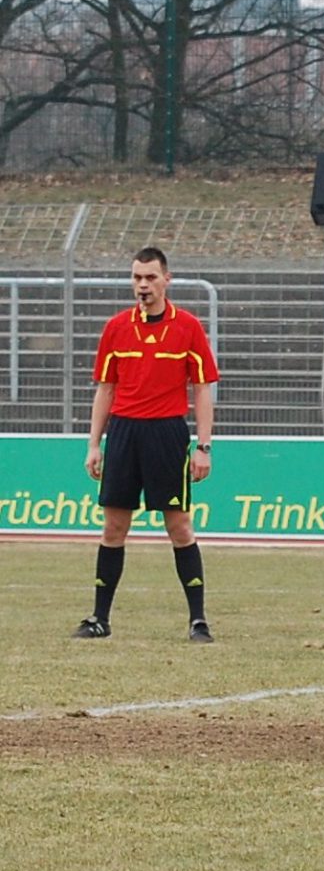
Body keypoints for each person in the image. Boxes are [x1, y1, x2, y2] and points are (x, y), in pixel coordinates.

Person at [74, 246, 220, 643]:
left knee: (179, 526)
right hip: (123, 433)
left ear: (166, 279)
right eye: (137, 277)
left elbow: (203, 387)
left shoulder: (188, 327)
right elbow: (106, 388)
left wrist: (203, 446)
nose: (143, 285)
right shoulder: (117, 328)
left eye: (150, 277)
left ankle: (198, 621)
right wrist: (94, 444)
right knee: (114, 525)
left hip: (166, 434)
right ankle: (99, 619)